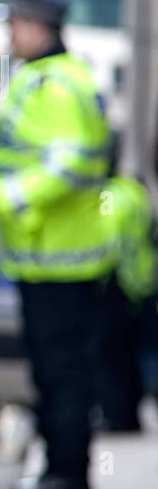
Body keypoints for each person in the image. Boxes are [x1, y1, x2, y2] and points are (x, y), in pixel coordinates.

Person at [0, 0, 114, 489]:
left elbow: (71, 165)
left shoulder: (55, 85)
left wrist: (1, 195)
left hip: (59, 260)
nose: (10, 36)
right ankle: (61, 466)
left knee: (61, 371)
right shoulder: (52, 79)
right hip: (48, 259)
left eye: (15, 26)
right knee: (57, 368)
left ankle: (66, 473)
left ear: (38, 28)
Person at [97, 163, 155, 431]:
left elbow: (108, 243)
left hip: (116, 286)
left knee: (113, 357)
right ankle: (129, 413)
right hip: (140, 285)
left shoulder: (110, 196)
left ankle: (119, 415)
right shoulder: (132, 191)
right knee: (131, 354)